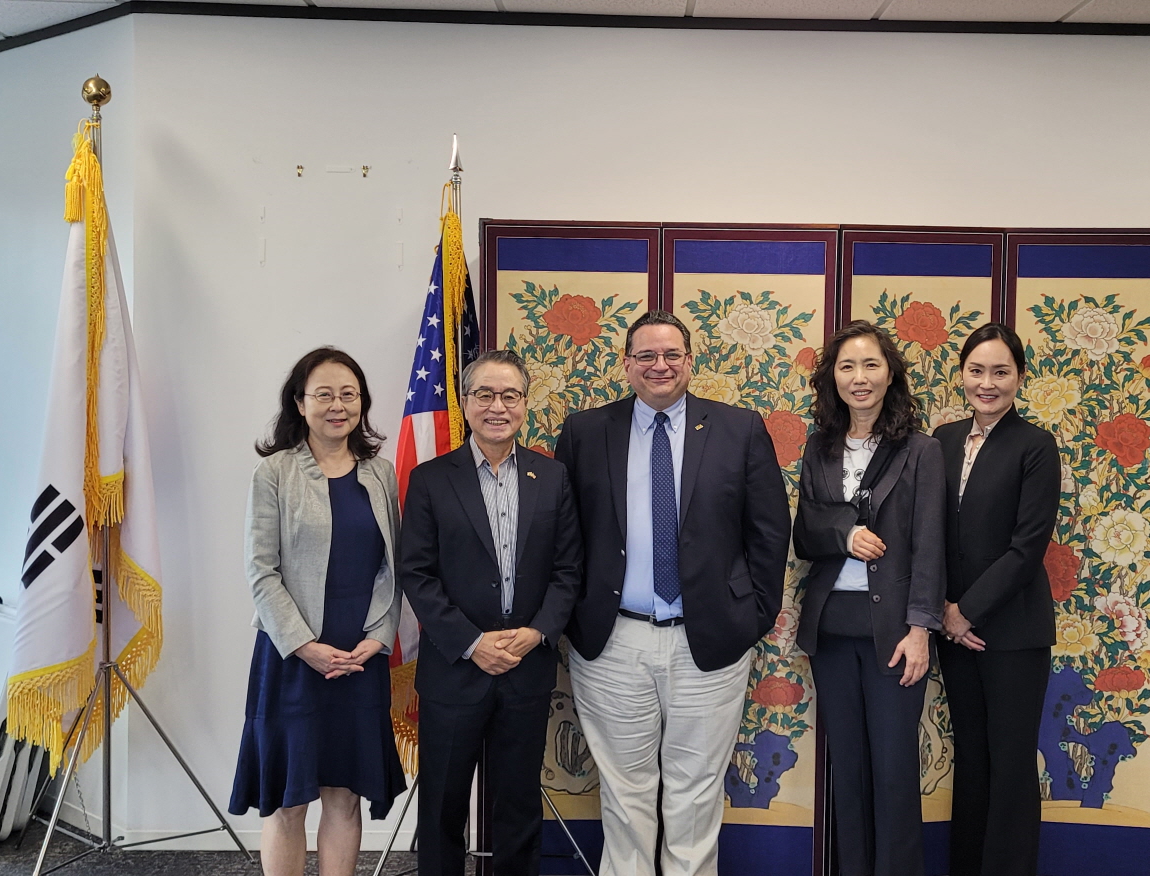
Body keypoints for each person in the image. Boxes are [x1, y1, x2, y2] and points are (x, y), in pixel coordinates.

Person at [553, 310, 792, 876]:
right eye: (646, 356)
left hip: (708, 641)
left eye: (671, 355)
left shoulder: (739, 428)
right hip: (613, 644)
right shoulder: (585, 431)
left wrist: (751, 617)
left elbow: (769, 531)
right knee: (625, 796)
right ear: (626, 364)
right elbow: (562, 536)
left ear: (689, 360)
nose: (660, 366)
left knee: (695, 796)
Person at [395, 350, 584, 876]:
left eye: (510, 395)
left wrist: (537, 632)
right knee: (442, 807)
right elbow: (418, 573)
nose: (497, 406)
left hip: (526, 668)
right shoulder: (432, 479)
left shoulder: (552, 476)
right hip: (455, 671)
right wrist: (473, 642)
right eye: (485, 394)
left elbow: (569, 569)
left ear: (525, 403)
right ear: (466, 401)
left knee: (519, 805)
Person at [231, 347, 408, 876]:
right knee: (288, 801)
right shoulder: (275, 474)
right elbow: (261, 572)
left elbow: (392, 568)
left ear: (362, 403)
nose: (338, 405)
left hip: (359, 659)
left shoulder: (381, 473)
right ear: (300, 403)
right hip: (291, 658)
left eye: (348, 394)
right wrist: (305, 647)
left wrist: (378, 637)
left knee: (345, 796)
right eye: (324, 394)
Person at [791, 321, 945, 876]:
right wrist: (844, 534)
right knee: (847, 771)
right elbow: (805, 532)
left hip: (895, 636)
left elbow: (930, 544)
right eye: (847, 366)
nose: (859, 378)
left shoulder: (921, 451)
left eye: (871, 365)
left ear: (891, 374)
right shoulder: (819, 448)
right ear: (832, 377)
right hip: (832, 630)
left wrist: (922, 628)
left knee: (894, 772)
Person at [933, 324, 1063, 876]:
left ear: (1019, 378)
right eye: (977, 371)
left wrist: (965, 612)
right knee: (972, 764)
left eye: (1001, 372)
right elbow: (928, 533)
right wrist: (941, 608)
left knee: (1010, 769)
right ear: (961, 375)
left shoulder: (1035, 446)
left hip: (1011, 633)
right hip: (949, 628)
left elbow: (1026, 547)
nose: (987, 383)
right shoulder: (939, 440)